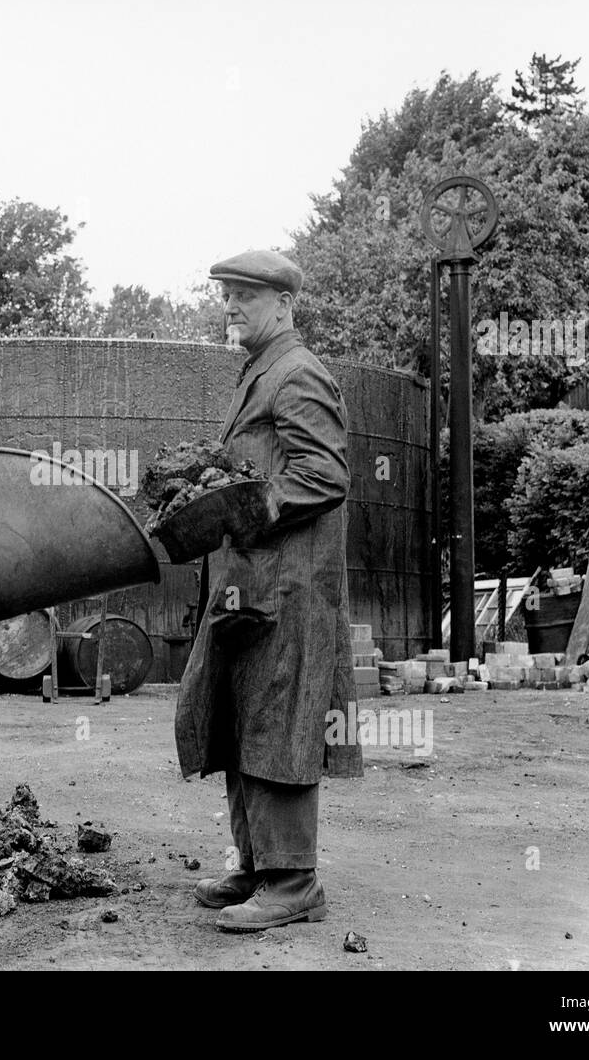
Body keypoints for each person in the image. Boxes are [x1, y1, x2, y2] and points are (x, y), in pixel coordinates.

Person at [176, 248, 362, 932]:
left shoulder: (298, 373)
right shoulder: (260, 372)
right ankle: (258, 867)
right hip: (252, 585)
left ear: (284, 305)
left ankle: (293, 882)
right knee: (241, 717)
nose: (231, 305)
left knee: (278, 722)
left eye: (246, 295)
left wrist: (247, 510)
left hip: (287, 588)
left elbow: (325, 476)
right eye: (227, 293)